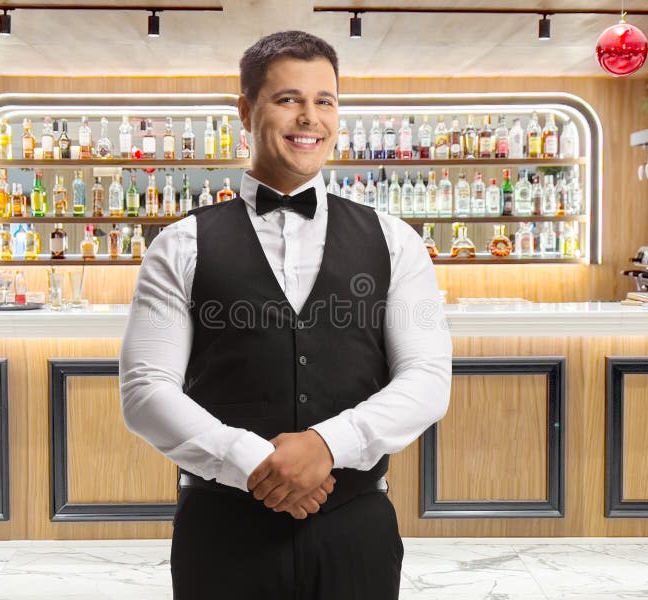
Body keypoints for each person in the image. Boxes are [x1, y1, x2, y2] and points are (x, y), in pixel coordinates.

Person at [120, 30, 452, 600]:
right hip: (223, 530)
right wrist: (251, 461)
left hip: (357, 530)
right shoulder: (178, 245)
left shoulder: (396, 241)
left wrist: (327, 445)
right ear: (246, 112)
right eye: (288, 99)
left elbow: (427, 378)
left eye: (325, 100)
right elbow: (145, 388)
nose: (310, 117)